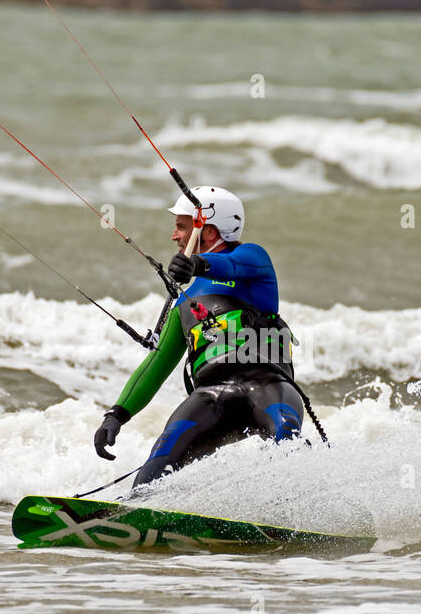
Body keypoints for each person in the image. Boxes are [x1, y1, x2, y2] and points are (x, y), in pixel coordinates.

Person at [93, 185, 303, 487]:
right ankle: (140, 511)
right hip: (211, 398)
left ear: (208, 230)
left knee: (286, 438)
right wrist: (116, 415)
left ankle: (302, 511)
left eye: (181, 226)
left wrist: (198, 265)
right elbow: (155, 366)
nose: (174, 235)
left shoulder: (253, 261)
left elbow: (230, 265)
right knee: (160, 458)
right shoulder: (182, 302)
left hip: (268, 387)